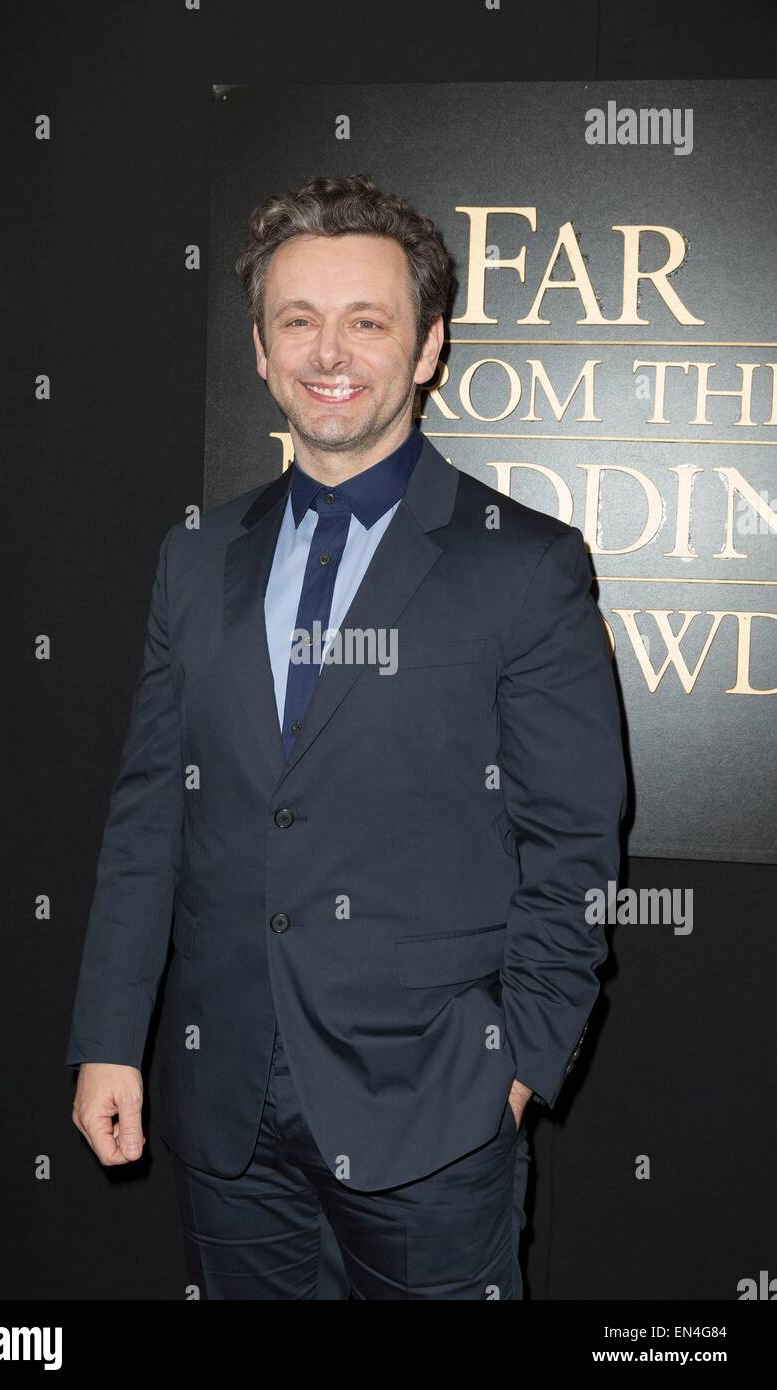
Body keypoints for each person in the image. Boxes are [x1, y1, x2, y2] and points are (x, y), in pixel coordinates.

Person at [66, 172, 627, 1300]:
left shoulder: (522, 564)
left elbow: (575, 849)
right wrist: (108, 1035)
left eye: (366, 321)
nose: (330, 351)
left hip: (433, 1120)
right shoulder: (195, 558)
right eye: (297, 321)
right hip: (224, 1108)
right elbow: (147, 818)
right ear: (263, 355)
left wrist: (513, 1073)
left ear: (425, 349)